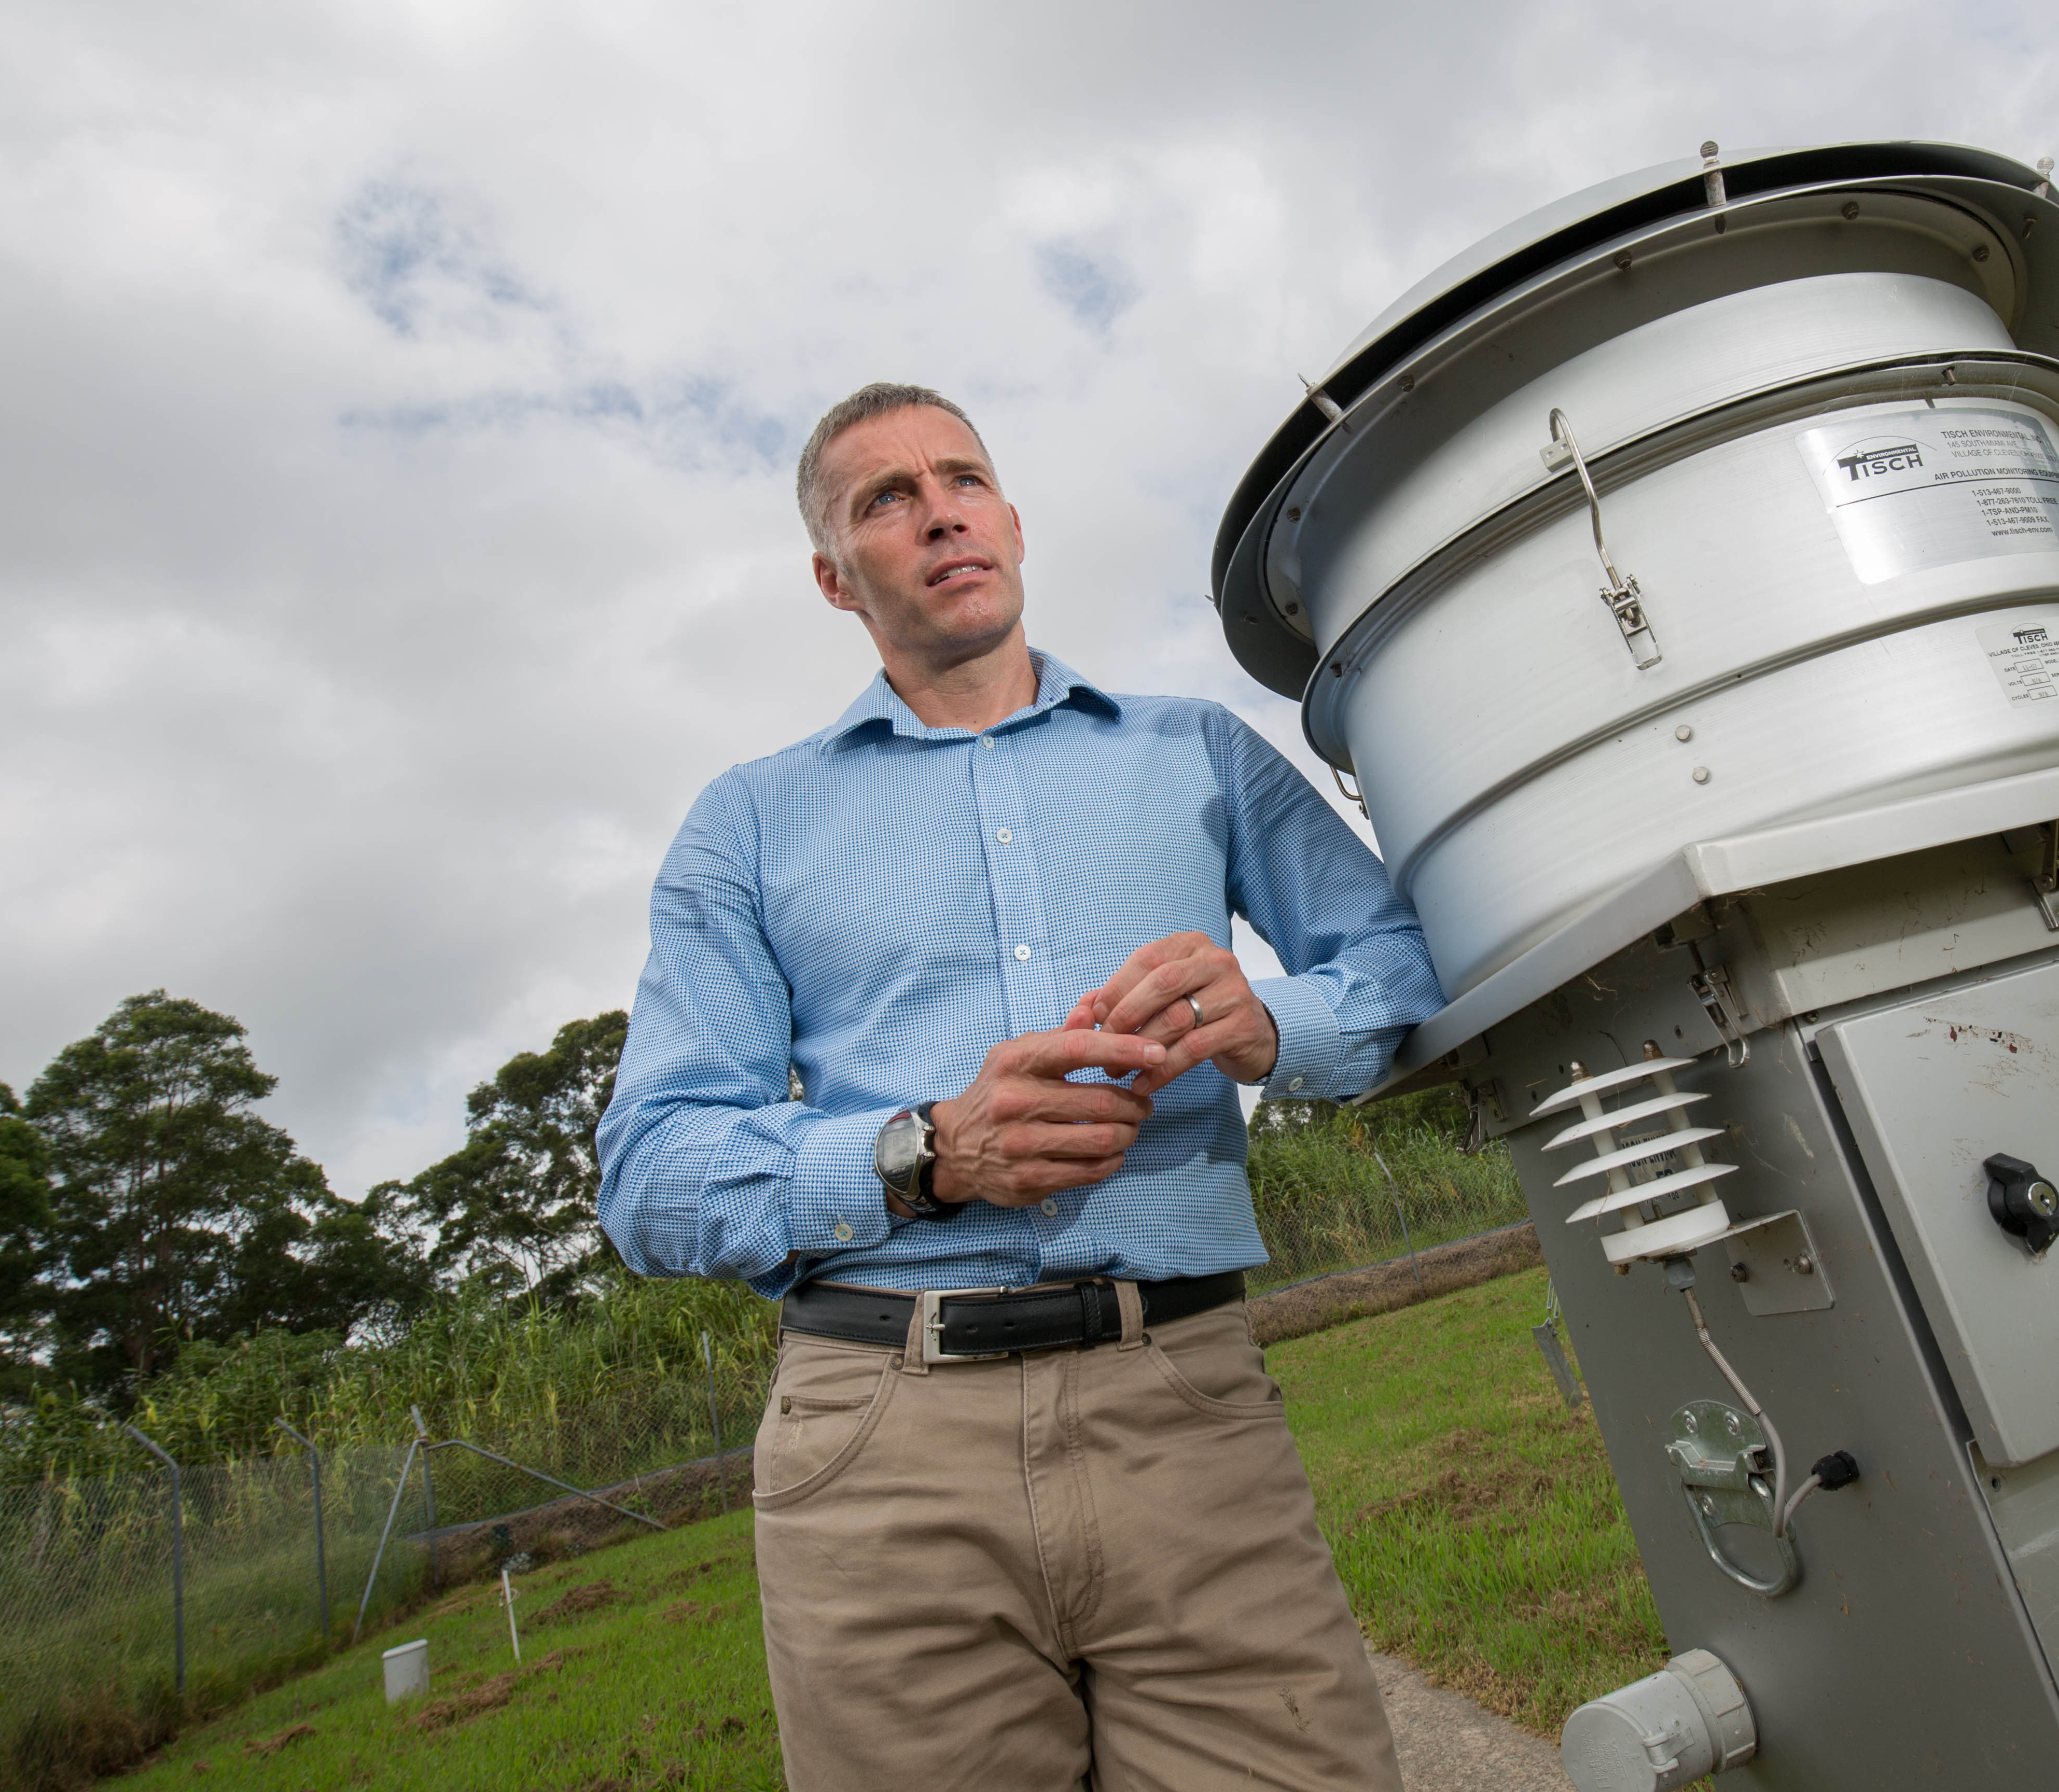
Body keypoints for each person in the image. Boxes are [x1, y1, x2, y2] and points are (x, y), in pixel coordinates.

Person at [595, 382, 1443, 1790]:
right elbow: (652, 1175)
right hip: (883, 1448)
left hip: (1186, 1408)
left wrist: (1268, 1023)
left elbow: (1405, 959)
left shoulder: (1199, 755)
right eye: (886, 499)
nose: (938, 511)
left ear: (1013, 521)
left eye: (962, 478)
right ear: (833, 576)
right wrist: (930, 1150)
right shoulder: (749, 821)